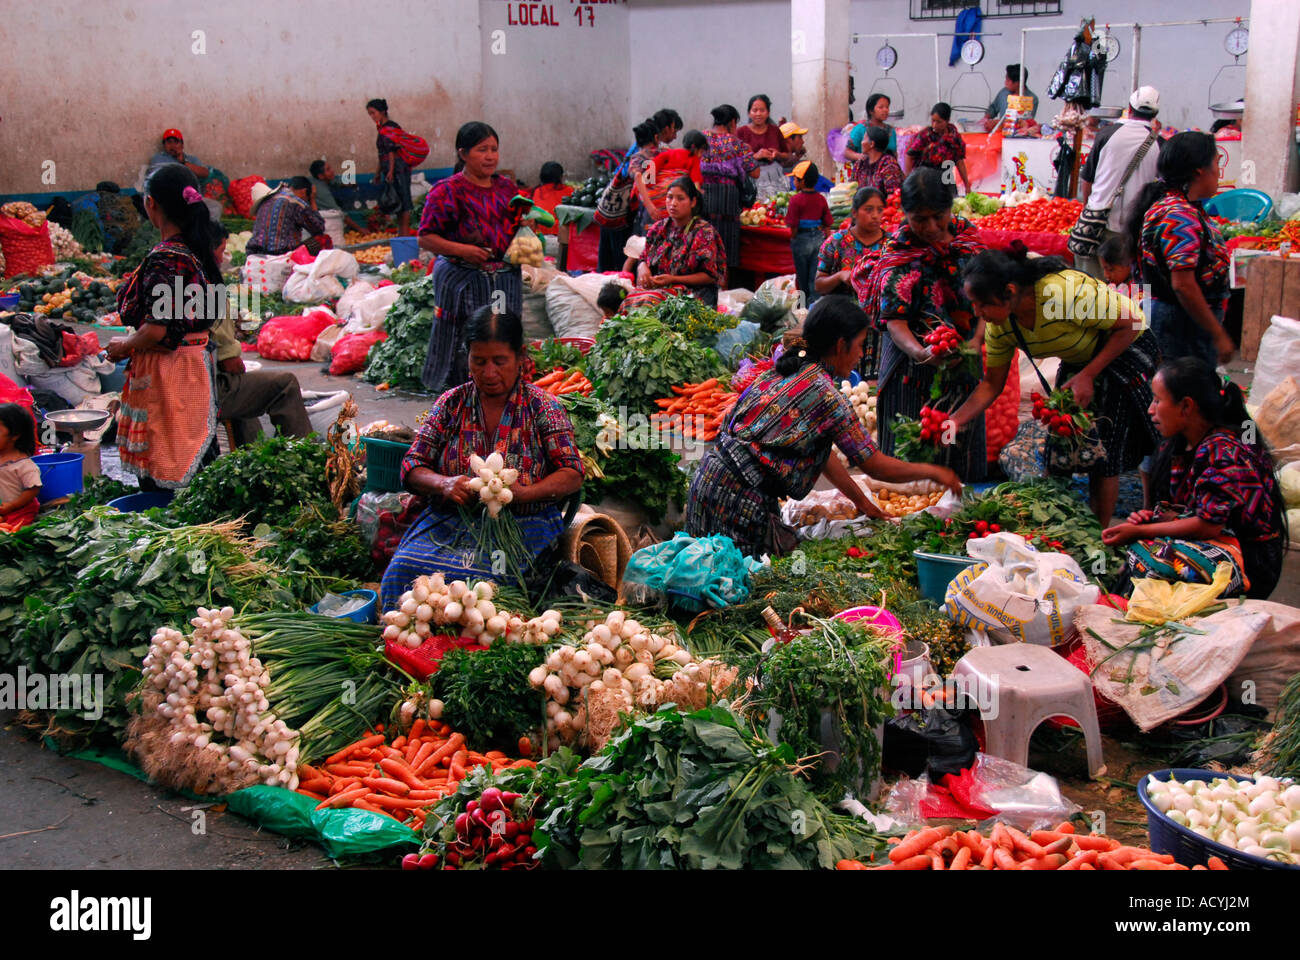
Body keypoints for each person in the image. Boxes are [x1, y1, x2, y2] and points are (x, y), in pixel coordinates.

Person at [684, 296, 961, 557]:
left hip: (707, 483)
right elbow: (874, 465)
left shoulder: (782, 371)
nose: (861, 355)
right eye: (860, 345)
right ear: (841, 345)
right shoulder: (826, 394)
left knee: (703, 575)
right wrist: (936, 472)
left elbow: (823, 453)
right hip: (737, 501)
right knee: (733, 586)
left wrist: (862, 502)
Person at [380, 307, 584, 610]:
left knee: (488, 582)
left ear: (520, 357)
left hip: (523, 522)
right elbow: (412, 466)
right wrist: (443, 484)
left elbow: (572, 471)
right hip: (450, 521)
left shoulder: (542, 406)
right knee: (402, 572)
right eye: (479, 361)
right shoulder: (451, 404)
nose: (489, 372)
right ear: (468, 359)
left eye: (500, 361)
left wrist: (524, 494)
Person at [949, 247, 1159, 526]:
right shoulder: (1000, 325)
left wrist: (1088, 375)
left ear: (1009, 291)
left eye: (981, 304)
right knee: (1061, 446)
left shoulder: (1061, 295)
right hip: (1080, 359)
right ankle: (1064, 525)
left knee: (1105, 447)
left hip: (1123, 346)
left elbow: (1130, 325)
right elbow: (991, 385)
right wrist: (954, 420)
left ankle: (1100, 534)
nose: (977, 312)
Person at [1102, 358, 1287, 600]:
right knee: (1141, 553)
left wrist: (1142, 531)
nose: (1150, 409)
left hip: (1250, 561)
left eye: (1158, 400)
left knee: (1147, 561)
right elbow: (1193, 509)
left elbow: (1208, 524)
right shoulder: (1184, 442)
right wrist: (1151, 519)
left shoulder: (1225, 452)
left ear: (1186, 406)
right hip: (1219, 542)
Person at [853, 169, 988, 480]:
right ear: (905, 214)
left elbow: (987, 298)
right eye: (919, 219)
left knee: (955, 436)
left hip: (963, 359)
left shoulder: (968, 239)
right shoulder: (899, 250)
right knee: (911, 442)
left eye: (938, 217)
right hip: (909, 365)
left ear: (950, 209)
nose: (930, 227)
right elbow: (893, 320)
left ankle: (960, 511)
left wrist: (976, 341)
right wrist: (920, 352)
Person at [106, 163, 221, 490]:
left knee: (170, 463)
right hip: (194, 364)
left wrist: (123, 346)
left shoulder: (167, 258)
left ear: (150, 203)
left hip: (172, 374)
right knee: (195, 459)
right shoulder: (195, 251)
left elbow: (157, 330)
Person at [417, 122, 524, 393]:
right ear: (463, 154)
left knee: (502, 333)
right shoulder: (446, 191)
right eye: (482, 150)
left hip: (503, 281)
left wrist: (528, 239)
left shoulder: (507, 189)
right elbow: (426, 237)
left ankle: (504, 392)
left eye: (494, 149)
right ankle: (458, 395)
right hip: (463, 280)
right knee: (464, 340)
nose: (490, 156)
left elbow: (519, 224)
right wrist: (463, 250)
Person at [1129, 131, 1233, 367]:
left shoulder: (1174, 206)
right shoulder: (1178, 215)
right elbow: (1183, 285)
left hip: (1173, 320)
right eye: (1217, 164)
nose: (1219, 172)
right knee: (1181, 394)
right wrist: (1217, 333)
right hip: (1179, 325)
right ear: (1199, 171)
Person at [206, 223, 313, 447]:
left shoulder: (172, 276)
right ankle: (304, 455)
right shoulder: (208, 286)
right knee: (284, 384)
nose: (223, 256)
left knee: (248, 390)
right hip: (202, 390)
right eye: (221, 250)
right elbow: (230, 363)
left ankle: (250, 454)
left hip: (177, 383)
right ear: (209, 249)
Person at [1075, 87, 1163, 280]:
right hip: (1134, 228)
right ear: (1155, 115)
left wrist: (1089, 208)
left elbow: (1087, 178)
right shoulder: (1159, 144)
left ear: (1129, 109)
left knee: (1093, 286)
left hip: (1101, 221)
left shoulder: (1106, 134)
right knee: (1130, 292)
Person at [623, 177, 725, 307]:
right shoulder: (658, 229)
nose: (673, 203)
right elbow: (644, 257)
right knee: (627, 300)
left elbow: (710, 275)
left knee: (649, 302)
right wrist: (643, 267)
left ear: (693, 202)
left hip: (693, 297)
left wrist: (673, 279)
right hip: (661, 291)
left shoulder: (704, 232)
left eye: (680, 198)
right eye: (669, 197)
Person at [817, 187, 887, 373]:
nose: (875, 216)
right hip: (844, 328)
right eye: (868, 209)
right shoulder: (836, 242)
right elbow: (819, 285)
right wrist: (839, 276)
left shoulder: (891, 244)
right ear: (854, 212)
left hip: (880, 327)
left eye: (880, 210)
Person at [701, 104, 761, 285]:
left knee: (704, 244)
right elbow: (755, 173)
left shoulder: (701, 138)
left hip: (703, 196)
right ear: (733, 122)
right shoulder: (737, 144)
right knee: (724, 248)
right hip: (728, 200)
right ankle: (724, 290)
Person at [597, 121, 659, 271]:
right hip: (639, 213)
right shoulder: (649, 159)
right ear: (656, 137)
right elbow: (646, 184)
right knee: (634, 252)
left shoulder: (636, 156)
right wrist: (651, 205)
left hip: (621, 211)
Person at [786, 161, 832, 306]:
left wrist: (793, 239)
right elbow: (827, 223)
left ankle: (803, 306)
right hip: (818, 239)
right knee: (815, 275)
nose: (794, 182)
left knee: (801, 276)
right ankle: (815, 306)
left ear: (802, 181)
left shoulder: (795, 200)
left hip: (801, 239)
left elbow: (792, 226)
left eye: (795, 179)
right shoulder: (821, 199)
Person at [246, 177, 330, 256]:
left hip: (254, 252)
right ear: (304, 192)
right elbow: (319, 227)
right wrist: (312, 200)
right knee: (322, 240)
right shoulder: (295, 201)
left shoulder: (266, 202)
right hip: (280, 253)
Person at [639, 130, 709, 222]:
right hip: (672, 210)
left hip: (653, 207)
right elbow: (696, 186)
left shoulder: (668, 154)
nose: (701, 157)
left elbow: (644, 177)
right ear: (695, 148)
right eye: (701, 152)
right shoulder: (694, 159)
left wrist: (650, 203)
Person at [367, 98, 413, 236]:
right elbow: (382, 155)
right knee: (398, 202)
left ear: (382, 112)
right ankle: (401, 234)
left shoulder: (390, 128)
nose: (372, 116)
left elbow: (391, 151)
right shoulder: (382, 128)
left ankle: (404, 235)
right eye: (370, 114)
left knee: (404, 203)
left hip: (398, 170)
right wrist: (378, 173)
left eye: (373, 113)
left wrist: (392, 171)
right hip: (390, 169)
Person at [736, 95, 794, 201]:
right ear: (749, 113)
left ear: (768, 113)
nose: (758, 114)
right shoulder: (741, 132)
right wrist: (755, 156)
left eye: (762, 110)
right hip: (751, 178)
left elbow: (787, 155)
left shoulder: (775, 131)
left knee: (776, 204)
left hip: (775, 178)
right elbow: (735, 159)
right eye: (755, 110)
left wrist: (778, 154)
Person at [906, 103, 970, 197]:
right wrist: (908, 181)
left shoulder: (954, 137)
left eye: (939, 122)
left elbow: (959, 161)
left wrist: (967, 185)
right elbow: (909, 155)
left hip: (946, 177)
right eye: (933, 121)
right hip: (925, 178)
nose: (934, 125)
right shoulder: (925, 135)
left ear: (947, 121)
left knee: (951, 205)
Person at [0, 404, 41, 532]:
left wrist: (13, 505)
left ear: (15, 435)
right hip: (2, 506)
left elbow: (33, 488)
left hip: (19, 509)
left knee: (13, 531)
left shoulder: (23, 465)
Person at [982, 65, 1040, 133]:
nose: (1005, 83)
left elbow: (1024, 122)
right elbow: (993, 108)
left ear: (1018, 83)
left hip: (1018, 137)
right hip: (1000, 134)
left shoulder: (1032, 99)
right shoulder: (1003, 93)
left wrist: (997, 123)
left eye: (1008, 80)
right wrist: (985, 119)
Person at [844, 93, 898, 165]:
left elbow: (894, 153)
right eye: (881, 107)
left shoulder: (891, 131)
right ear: (871, 110)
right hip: (866, 170)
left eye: (887, 107)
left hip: (886, 171)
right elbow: (846, 152)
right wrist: (860, 157)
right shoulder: (860, 129)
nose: (885, 110)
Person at [853, 125, 904, 198]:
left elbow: (893, 195)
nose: (861, 142)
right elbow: (851, 188)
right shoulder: (860, 164)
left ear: (871, 144)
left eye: (864, 139)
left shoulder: (889, 164)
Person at [531, 162, 573, 237]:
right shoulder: (568, 191)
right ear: (560, 176)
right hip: (559, 231)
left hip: (539, 231)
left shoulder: (537, 191)